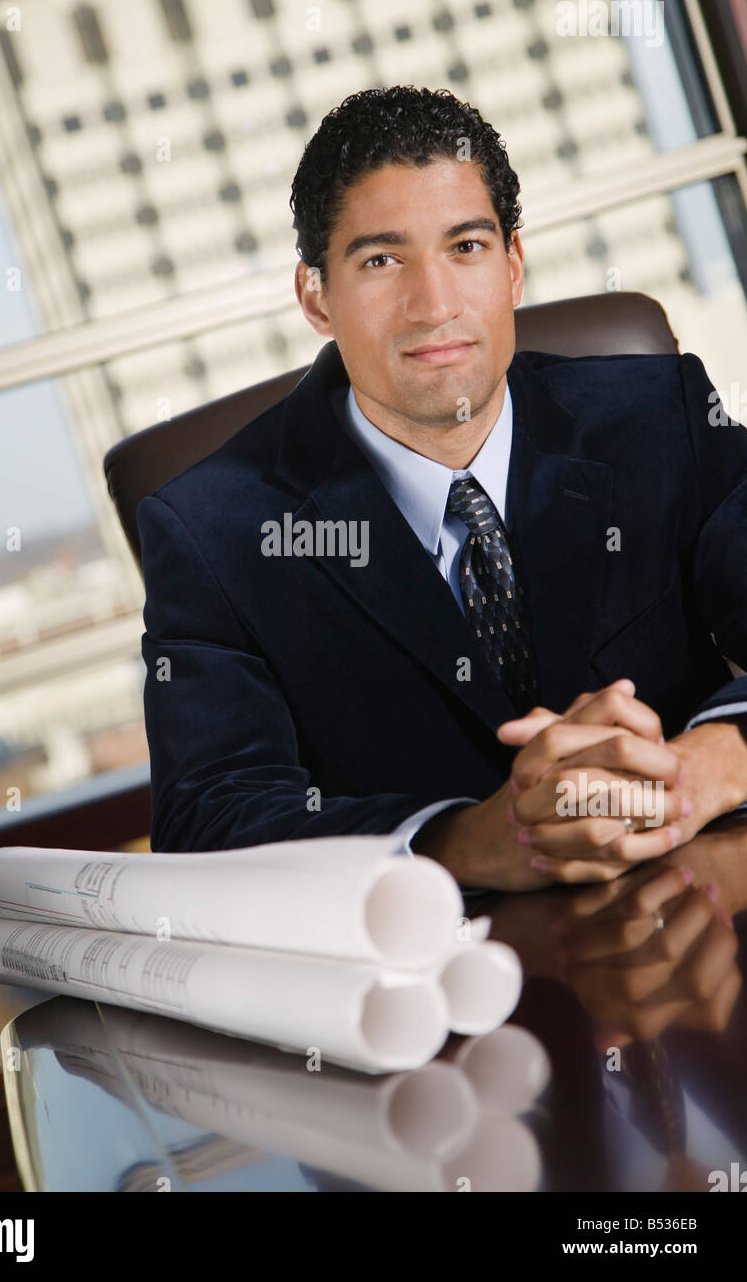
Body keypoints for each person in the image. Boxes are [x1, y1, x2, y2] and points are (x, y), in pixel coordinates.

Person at [137, 85, 747, 891]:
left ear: (514, 264)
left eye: (466, 247)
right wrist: (463, 843)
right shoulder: (211, 530)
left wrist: (700, 770)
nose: (436, 306)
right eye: (382, 260)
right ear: (316, 295)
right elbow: (208, 821)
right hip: (437, 983)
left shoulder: (659, 414)